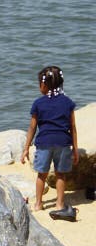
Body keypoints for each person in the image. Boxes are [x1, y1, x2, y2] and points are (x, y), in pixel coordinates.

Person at [20, 65, 79, 212]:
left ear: (43, 84)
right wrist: (75, 150)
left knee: (42, 175)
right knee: (60, 174)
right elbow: (73, 127)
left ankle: (39, 204)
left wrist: (26, 148)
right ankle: (59, 204)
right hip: (63, 143)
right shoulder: (67, 102)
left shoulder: (38, 103)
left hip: (44, 143)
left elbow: (32, 128)